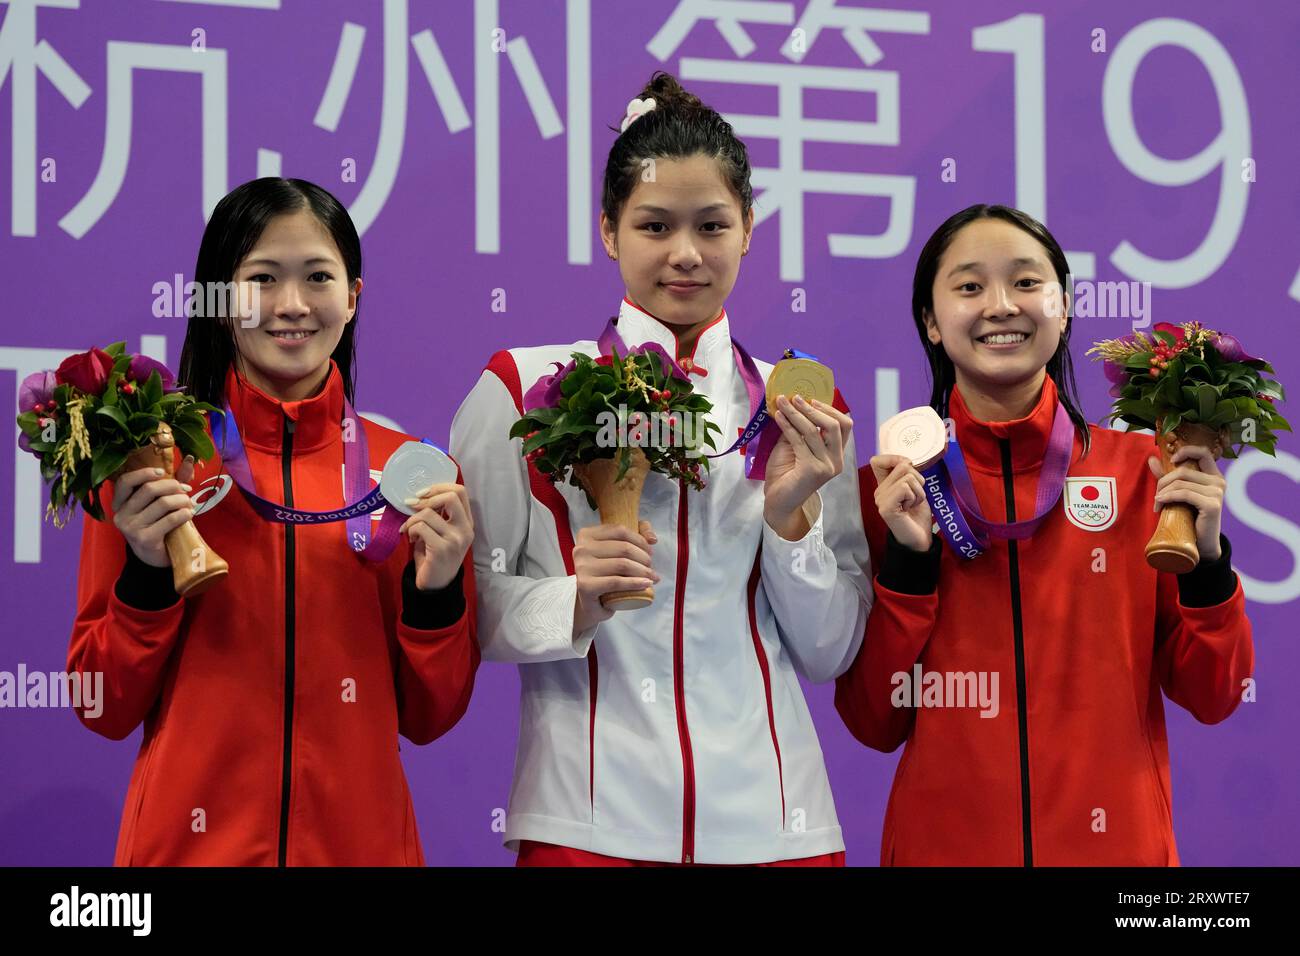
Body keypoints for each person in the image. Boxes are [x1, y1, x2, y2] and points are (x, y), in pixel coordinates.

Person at [444, 73, 871, 866]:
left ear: (750, 227)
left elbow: (830, 650)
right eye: (654, 225)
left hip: (779, 830)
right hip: (586, 825)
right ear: (608, 231)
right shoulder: (520, 389)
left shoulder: (800, 404)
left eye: (712, 225)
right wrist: (573, 598)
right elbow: (463, 610)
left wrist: (789, 526)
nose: (685, 254)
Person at [68, 178, 479, 866]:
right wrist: (146, 574)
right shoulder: (151, 461)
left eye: (318, 276)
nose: (291, 305)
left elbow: (430, 717)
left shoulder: (411, 476)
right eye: (261, 279)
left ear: (353, 297)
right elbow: (100, 705)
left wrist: (433, 599)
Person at [835, 203, 1254, 866]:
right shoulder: (891, 491)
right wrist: (910, 566)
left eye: (1027, 283)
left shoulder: (1146, 473)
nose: (1001, 305)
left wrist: (1206, 564)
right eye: (969, 287)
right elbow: (873, 722)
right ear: (931, 322)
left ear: (1063, 308)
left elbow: (1215, 694)